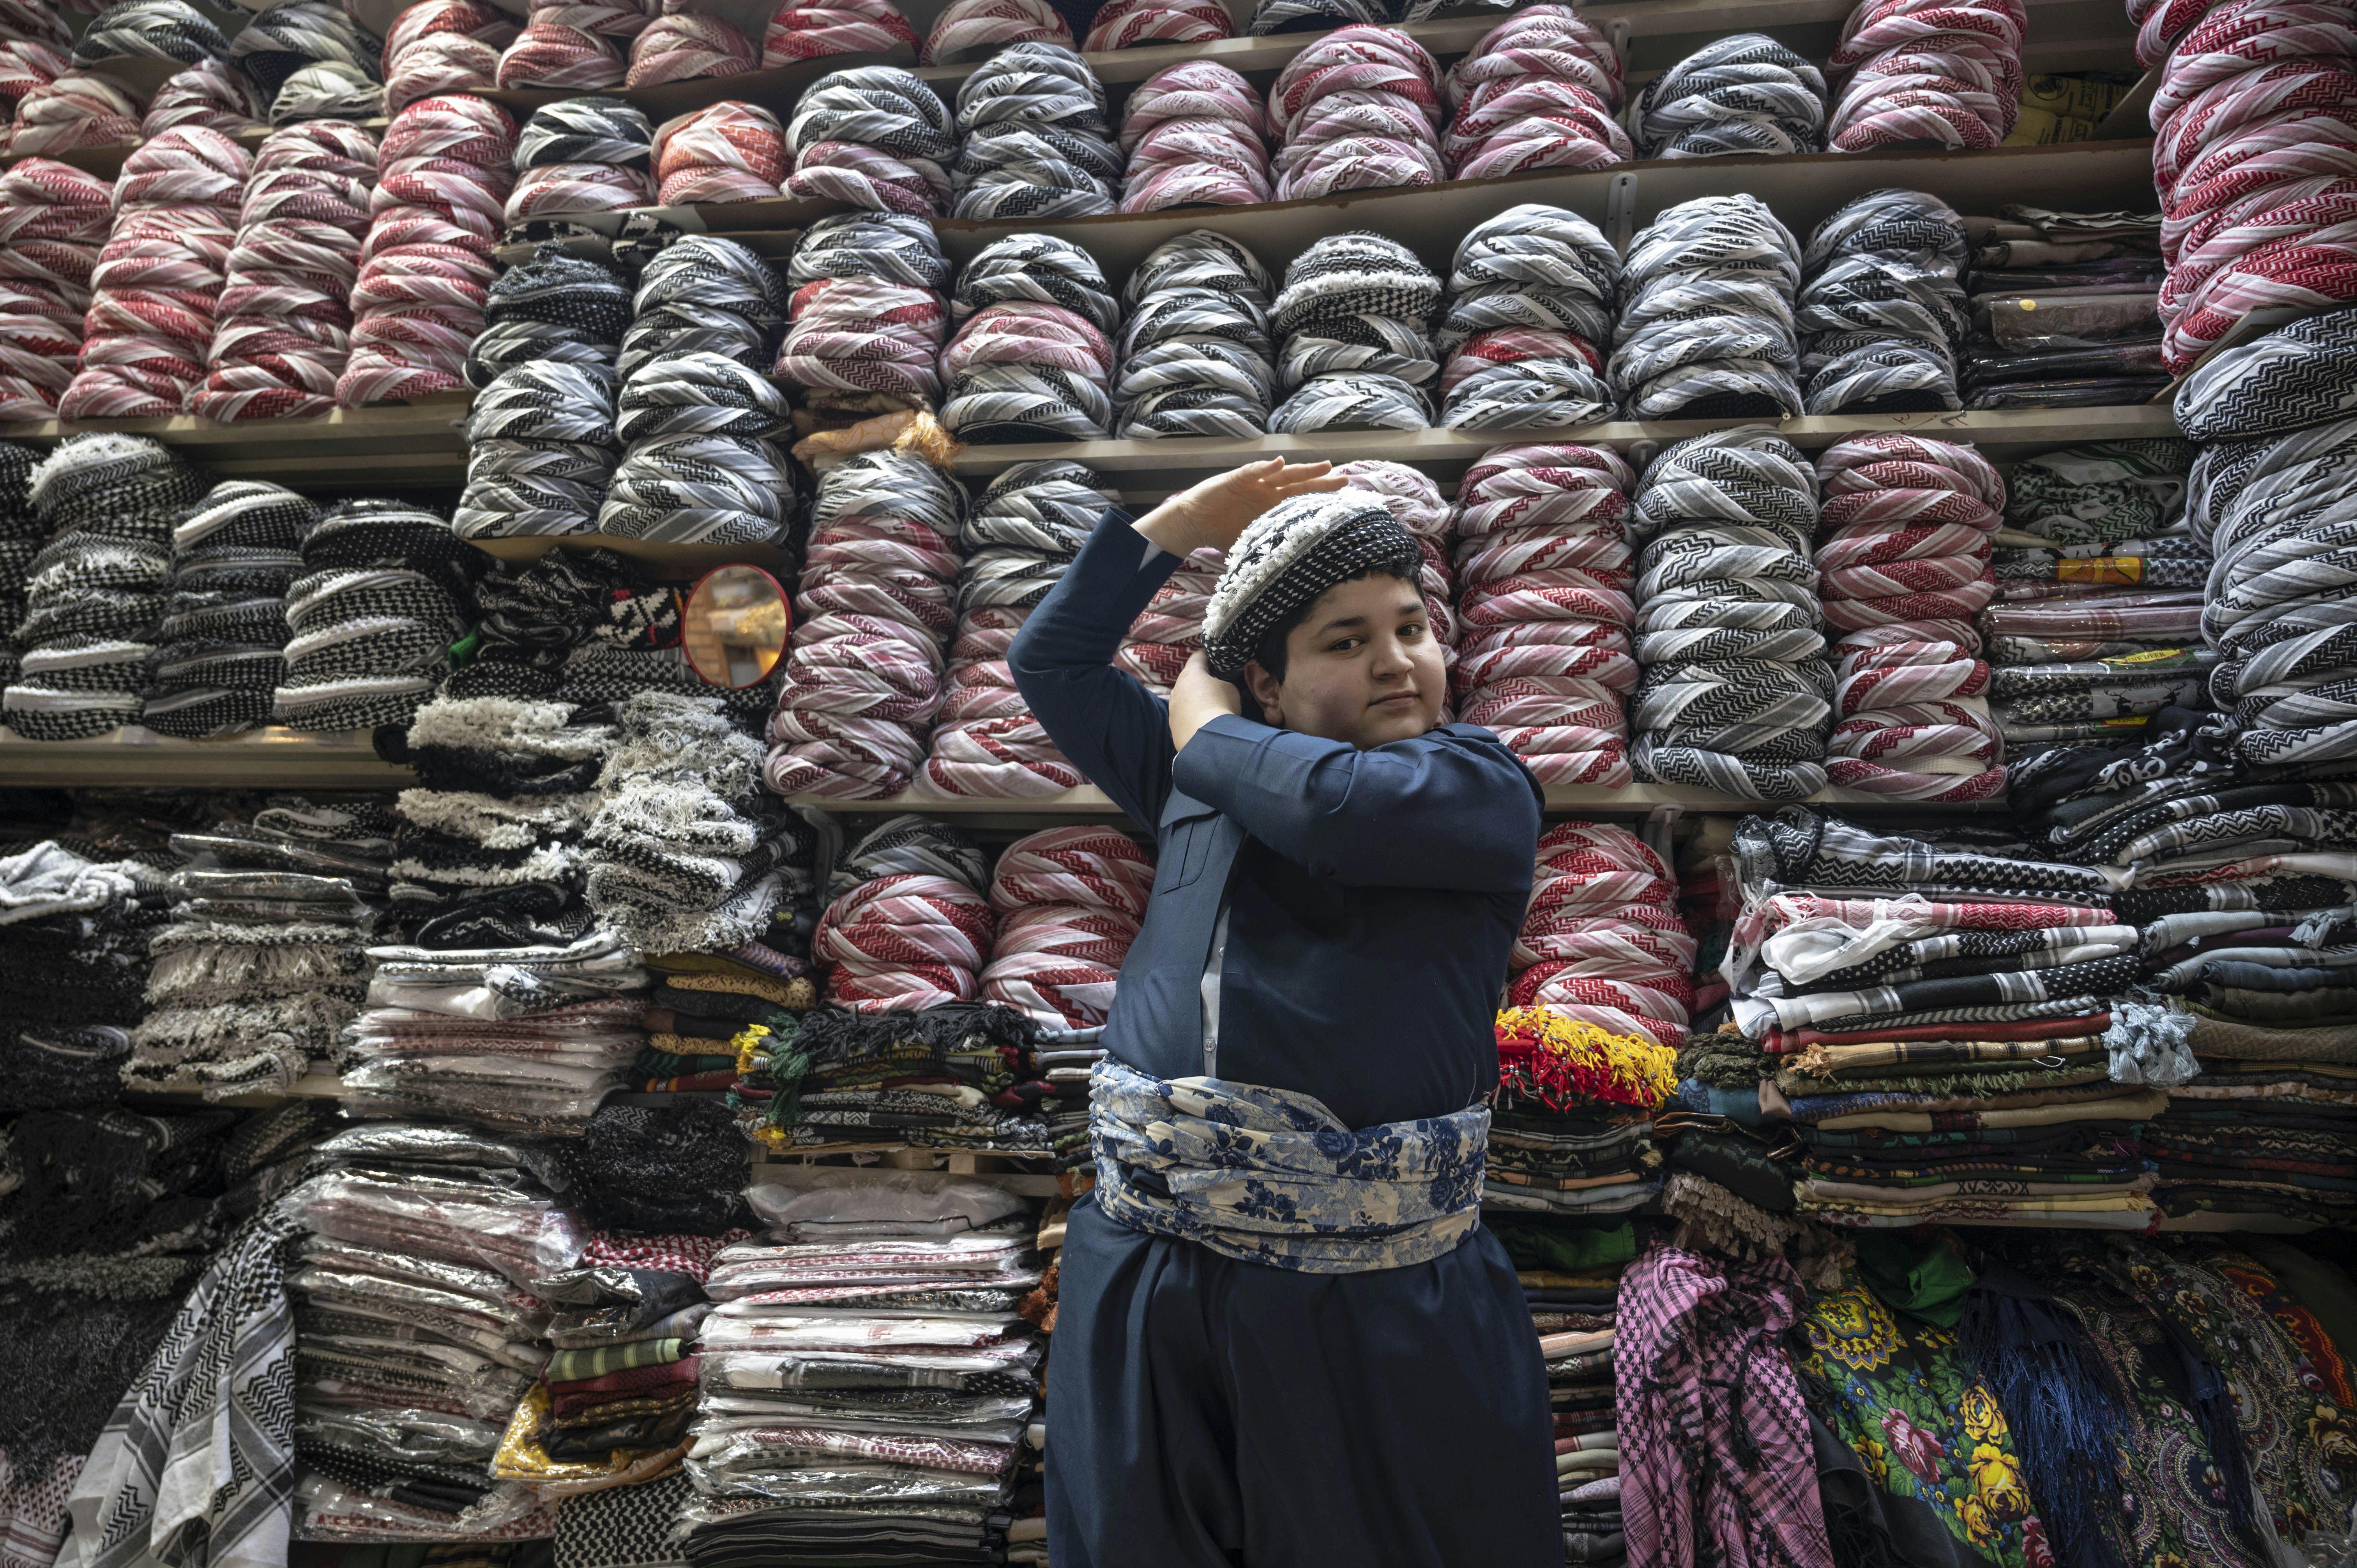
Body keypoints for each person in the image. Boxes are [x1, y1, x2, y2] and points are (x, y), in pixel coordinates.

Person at [1010, 458, 1558, 1568]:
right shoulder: (1196, 790)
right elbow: (1051, 661)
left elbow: (1331, 810)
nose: (1399, 663)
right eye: (1346, 643)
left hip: (1364, 1299)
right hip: (1150, 1274)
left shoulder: (1473, 788)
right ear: (1267, 681)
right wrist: (1183, 523)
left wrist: (1202, 727)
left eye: (1411, 629)